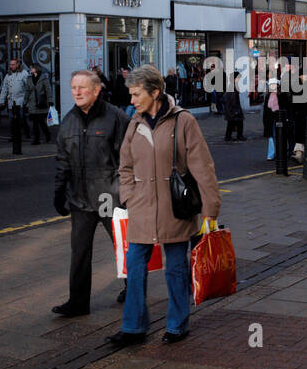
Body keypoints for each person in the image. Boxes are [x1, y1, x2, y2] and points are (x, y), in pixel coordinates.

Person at [111, 64, 221, 346]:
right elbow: (124, 166)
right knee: (134, 267)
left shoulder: (183, 121)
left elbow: (202, 167)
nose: (132, 100)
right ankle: (133, 327)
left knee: (175, 269)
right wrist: (128, 196)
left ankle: (177, 324)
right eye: (131, 94)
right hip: (142, 209)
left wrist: (211, 208)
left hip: (176, 208)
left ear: (156, 92)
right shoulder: (133, 123)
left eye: (137, 94)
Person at [52, 69, 130, 317]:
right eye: (73, 87)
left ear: (96, 90)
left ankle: (133, 290)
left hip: (110, 195)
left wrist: (124, 191)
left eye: (82, 87)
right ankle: (77, 302)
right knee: (79, 251)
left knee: (124, 248)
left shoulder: (116, 118)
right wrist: (59, 190)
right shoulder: (68, 121)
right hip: (80, 198)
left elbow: (128, 159)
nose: (76, 92)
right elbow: (62, 159)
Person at [0, 58, 36, 155]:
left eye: (13, 64)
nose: (12, 66)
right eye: (10, 64)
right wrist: (2, 100)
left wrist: (26, 100)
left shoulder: (24, 73)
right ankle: (14, 136)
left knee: (21, 119)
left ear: (18, 65)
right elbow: (4, 88)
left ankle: (25, 133)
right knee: (12, 120)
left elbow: (28, 87)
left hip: (20, 101)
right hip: (11, 102)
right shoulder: (8, 75)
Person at [29, 65, 54, 143]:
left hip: (41, 102)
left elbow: (48, 89)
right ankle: (36, 139)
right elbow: (27, 90)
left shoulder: (44, 78)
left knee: (41, 121)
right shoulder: (29, 78)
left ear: (36, 69)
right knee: (35, 122)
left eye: (32, 68)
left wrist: (50, 100)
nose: (30, 69)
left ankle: (47, 134)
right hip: (32, 102)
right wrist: (25, 101)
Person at [223, 75, 245, 141]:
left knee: (231, 123)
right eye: (238, 78)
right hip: (233, 110)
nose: (239, 80)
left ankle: (228, 136)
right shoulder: (233, 87)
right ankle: (238, 136)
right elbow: (233, 100)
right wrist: (236, 111)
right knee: (239, 122)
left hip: (231, 110)